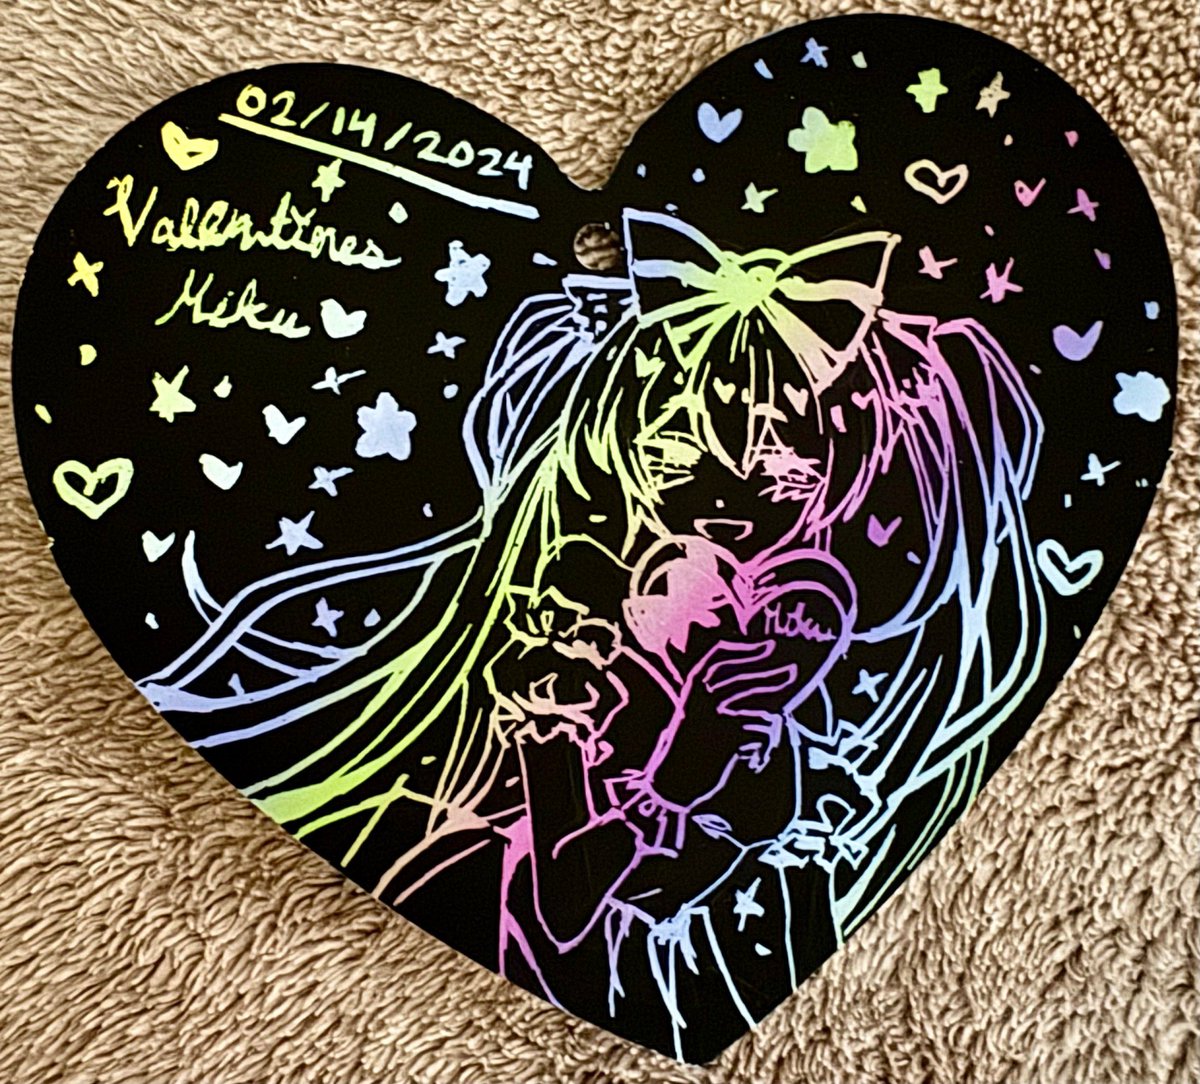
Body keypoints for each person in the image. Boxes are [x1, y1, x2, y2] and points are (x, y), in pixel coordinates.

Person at [138, 209, 1046, 1060]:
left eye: (778, 478)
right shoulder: (567, 656)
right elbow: (566, 902)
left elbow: (657, 870)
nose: (726, 509)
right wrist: (633, 758)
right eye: (684, 462)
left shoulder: (765, 695)